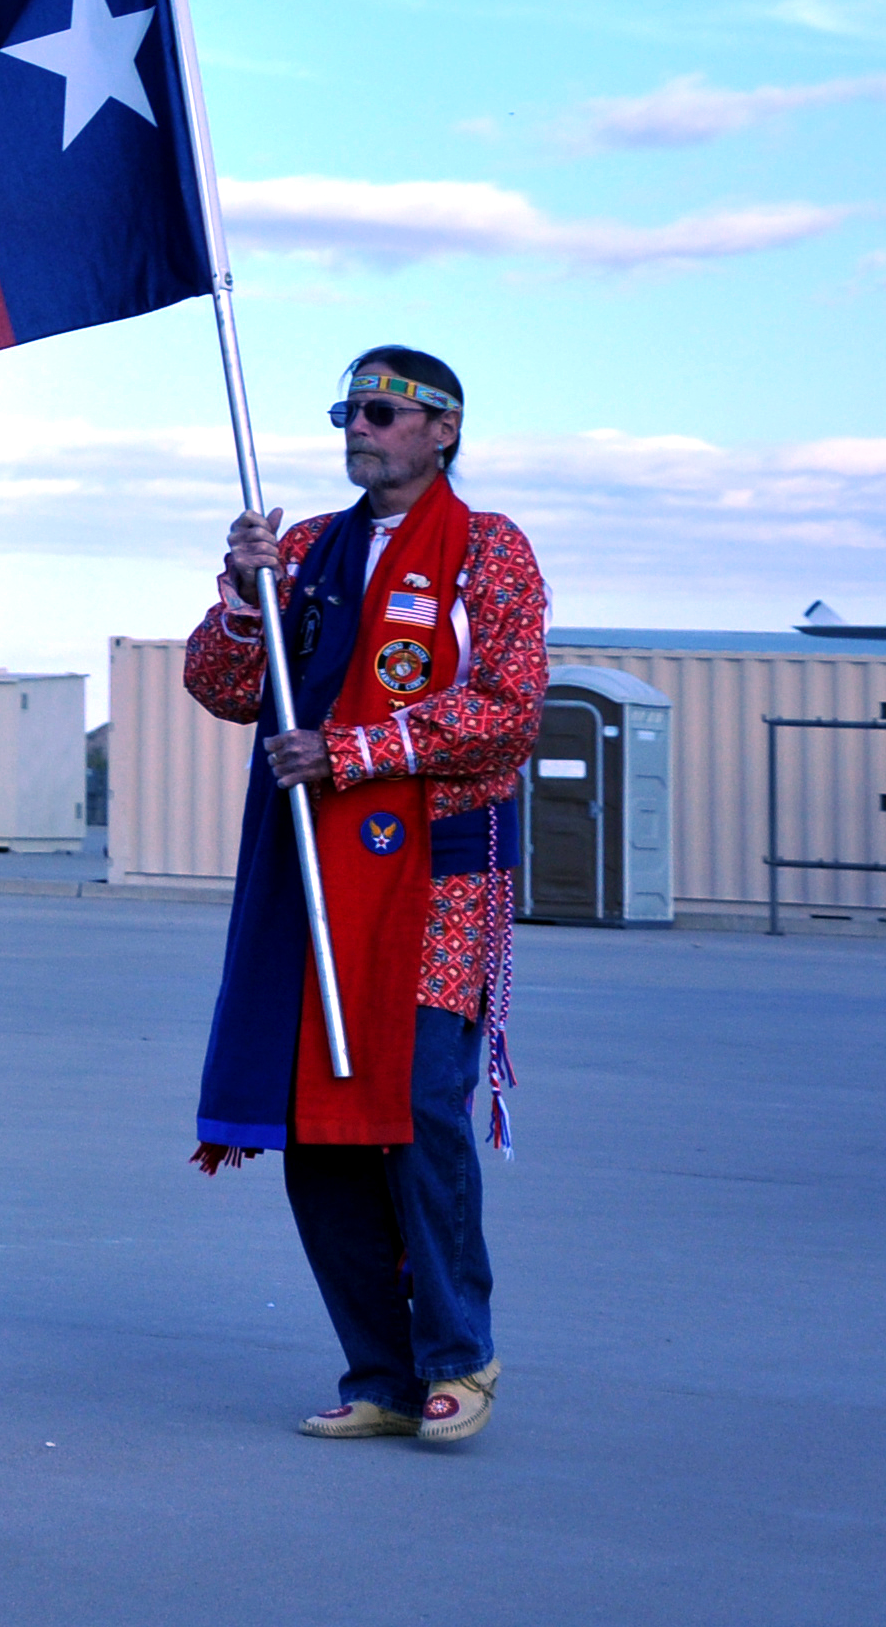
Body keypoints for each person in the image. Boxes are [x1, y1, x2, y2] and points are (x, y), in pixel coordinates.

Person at [183, 346, 548, 1447]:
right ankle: (379, 1371)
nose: (361, 426)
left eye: (385, 411)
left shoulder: (491, 551)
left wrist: (356, 748)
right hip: (311, 870)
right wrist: (249, 601)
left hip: (439, 870)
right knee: (316, 1118)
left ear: (443, 428)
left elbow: (509, 708)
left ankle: (457, 1353)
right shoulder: (299, 550)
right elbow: (221, 684)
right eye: (350, 409)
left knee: (421, 1099)